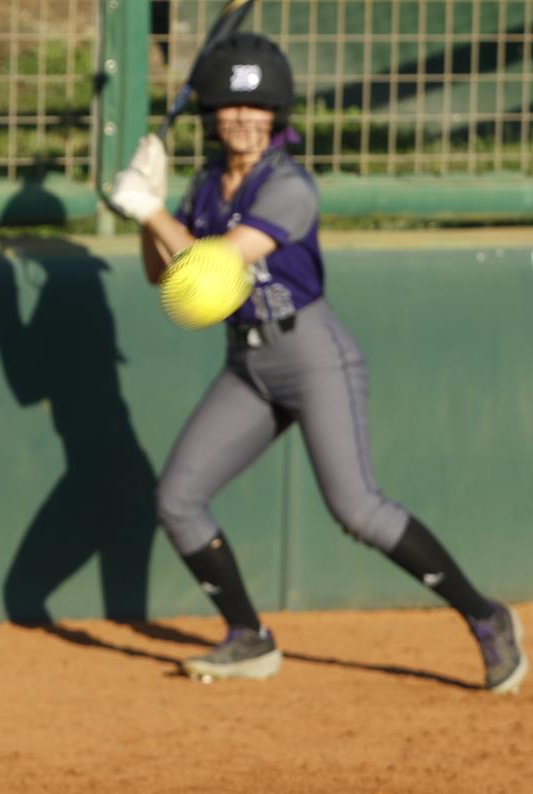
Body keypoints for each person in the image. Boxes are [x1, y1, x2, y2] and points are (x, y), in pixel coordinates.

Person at [107, 33, 525, 692]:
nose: (243, 119)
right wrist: (146, 209)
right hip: (247, 365)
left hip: (312, 355)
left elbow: (213, 271)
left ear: (278, 113)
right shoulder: (207, 188)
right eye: (229, 107)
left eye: (257, 107)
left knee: (357, 509)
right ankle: (249, 636)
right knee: (179, 499)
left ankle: (486, 614)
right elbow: (165, 278)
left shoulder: (291, 184)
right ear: (211, 115)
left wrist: (150, 208)